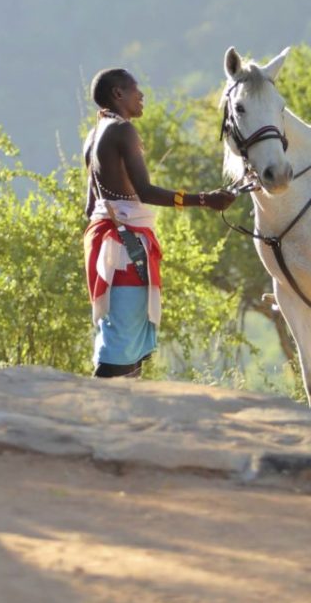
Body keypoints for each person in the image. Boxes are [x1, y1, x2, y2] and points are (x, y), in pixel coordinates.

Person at [82, 68, 234, 378]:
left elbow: (90, 206)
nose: (142, 96)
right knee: (122, 342)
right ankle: (98, 411)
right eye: (136, 89)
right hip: (124, 248)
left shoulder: (94, 133)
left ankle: (117, 413)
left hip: (108, 246)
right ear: (118, 94)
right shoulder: (122, 131)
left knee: (119, 331)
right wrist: (205, 200)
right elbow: (145, 191)